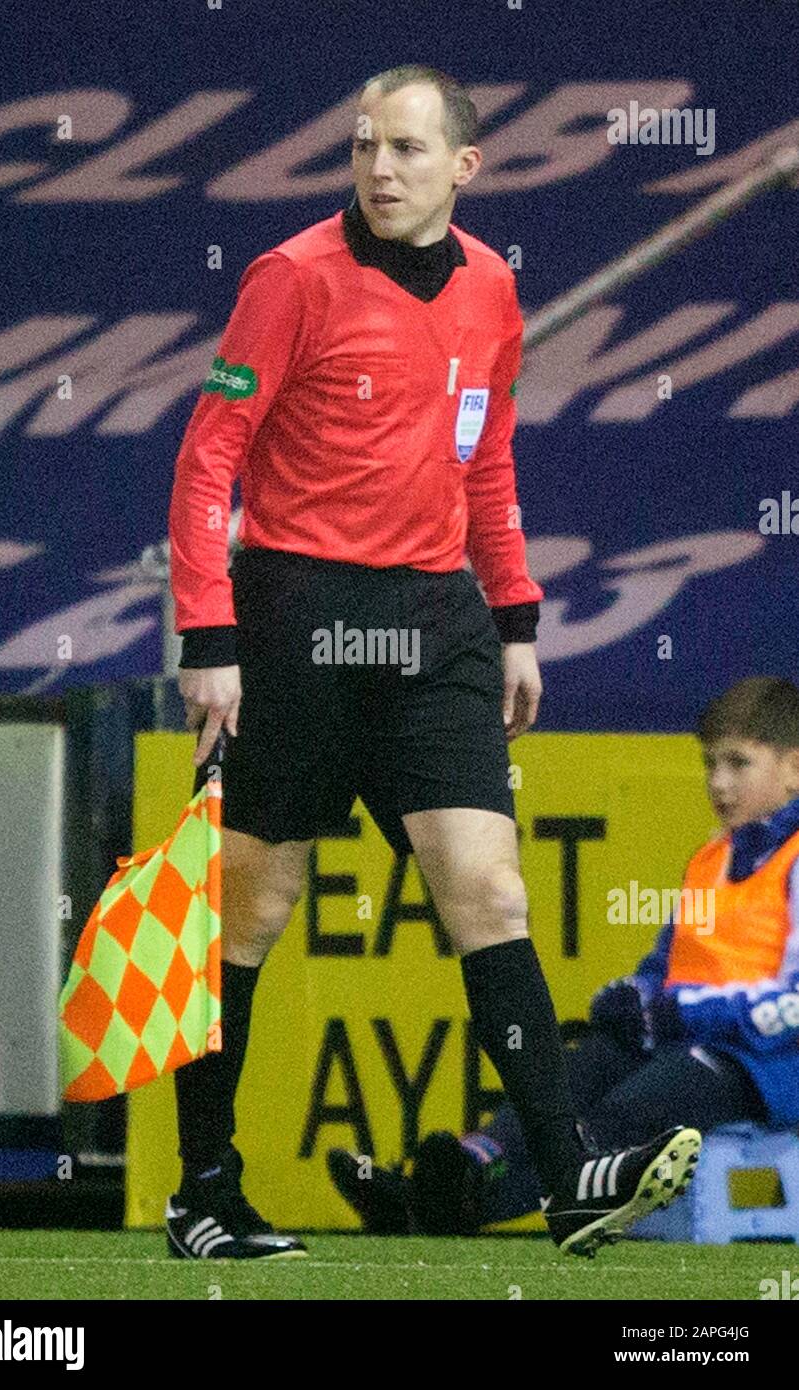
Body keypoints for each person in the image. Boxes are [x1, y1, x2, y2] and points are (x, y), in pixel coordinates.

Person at [165, 63, 699, 1262]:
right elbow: (208, 462)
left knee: (489, 892)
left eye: (406, 150)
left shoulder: (494, 291)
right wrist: (208, 637)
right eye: (363, 146)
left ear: (464, 167)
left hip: (435, 619)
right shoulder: (289, 278)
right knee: (252, 908)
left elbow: (485, 461)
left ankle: (565, 1181)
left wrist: (512, 614)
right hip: (293, 612)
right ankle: (205, 1188)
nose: (379, 169)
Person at [328, 676, 799, 1235]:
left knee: (625, 1112)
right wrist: (635, 998)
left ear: (794, 767)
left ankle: (444, 1207)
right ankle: (462, 1172)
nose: (718, 783)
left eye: (738, 764)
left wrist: (680, 1012)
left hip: (767, 1063)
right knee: (569, 1073)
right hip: (693, 1038)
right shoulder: (713, 856)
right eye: (709, 764)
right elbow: (667, 965)